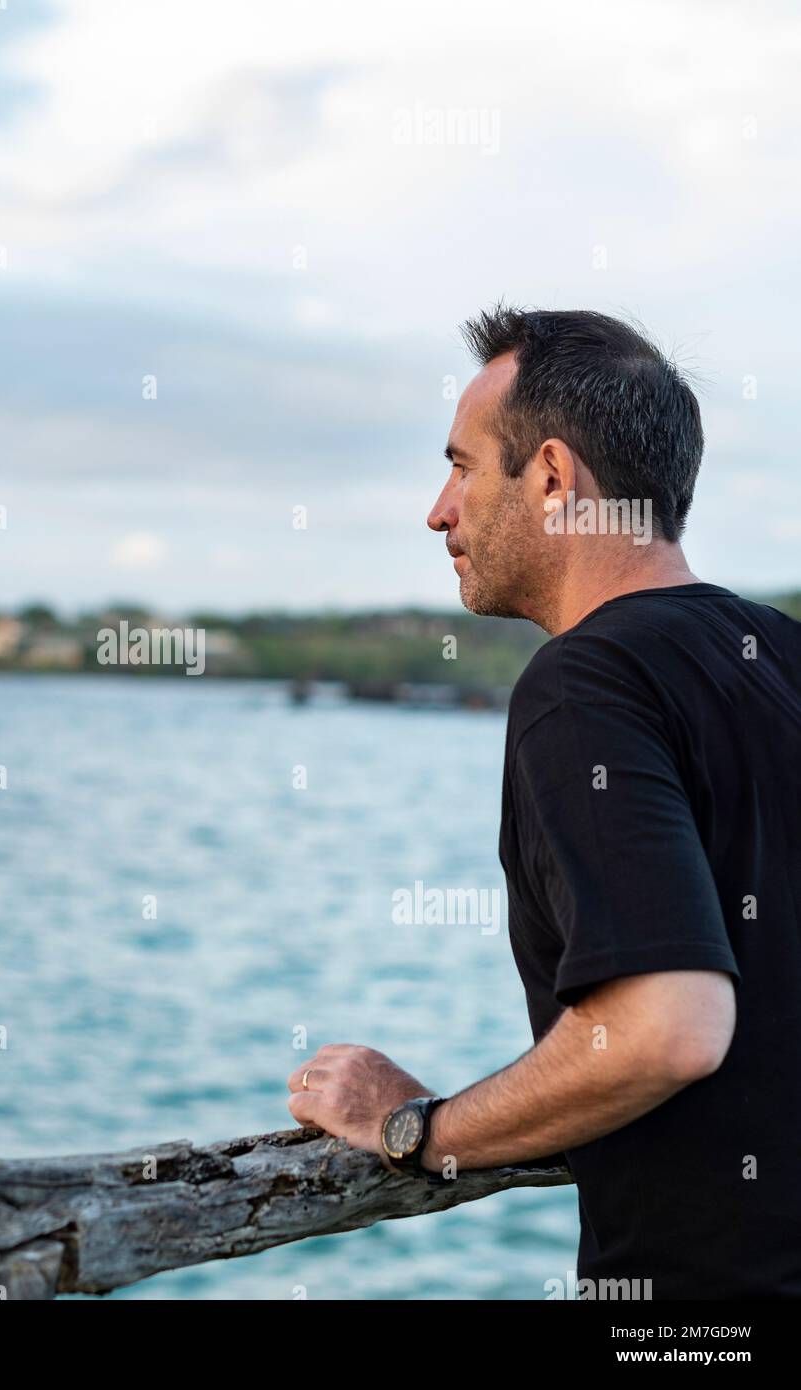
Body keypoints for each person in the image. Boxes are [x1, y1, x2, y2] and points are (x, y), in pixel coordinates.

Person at [287, 305, 801, 1298]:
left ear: (555, 478)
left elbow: (668, 1027)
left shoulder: (584, 683)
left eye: (463, 467)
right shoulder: (778, 657)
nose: (439, 510)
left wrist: (419, 1129)